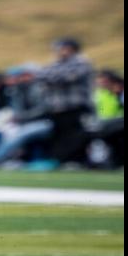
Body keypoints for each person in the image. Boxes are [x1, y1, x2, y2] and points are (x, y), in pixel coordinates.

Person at [34, 37, 94, 168]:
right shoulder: (56, 63)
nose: (59, 51)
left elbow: (66, 77)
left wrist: (51, 77)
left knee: (76, 136)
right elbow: (40, 75)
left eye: (62, 48)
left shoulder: (81, 62)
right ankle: (63, 161)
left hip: (75, 108)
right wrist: (52, 76)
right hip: (57, 109)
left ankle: (79, 161)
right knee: (60, 136)